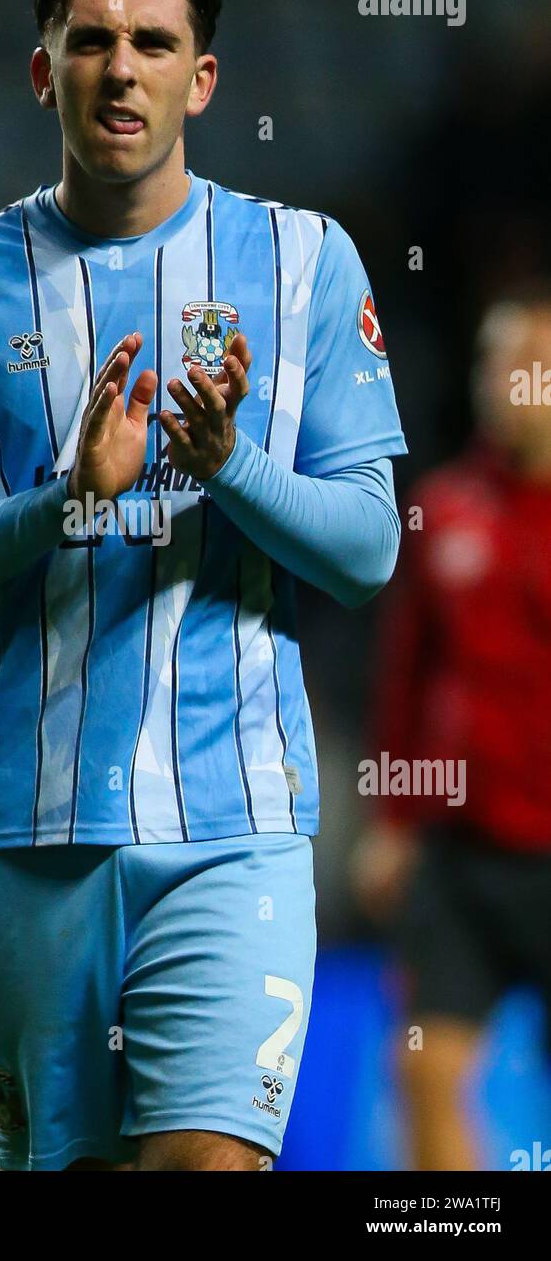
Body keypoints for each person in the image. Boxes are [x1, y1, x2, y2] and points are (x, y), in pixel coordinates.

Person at [0, 0, 408, 1171]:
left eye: (154, 43)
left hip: (233, 829)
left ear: (200, 79)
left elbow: (368, 547)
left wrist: (232, 468)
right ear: (43, 71)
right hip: (21, 833)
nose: (122, 68)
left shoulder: (304, 260)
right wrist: (60, 504)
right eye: (91, 41)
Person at [352, 289, 551, 1171]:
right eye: (491, 365)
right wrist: (390, 822)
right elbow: (406, 679)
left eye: (524, 369)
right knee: (424, 1067)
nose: (501, 385)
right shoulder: (443, 508)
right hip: (462, 849)